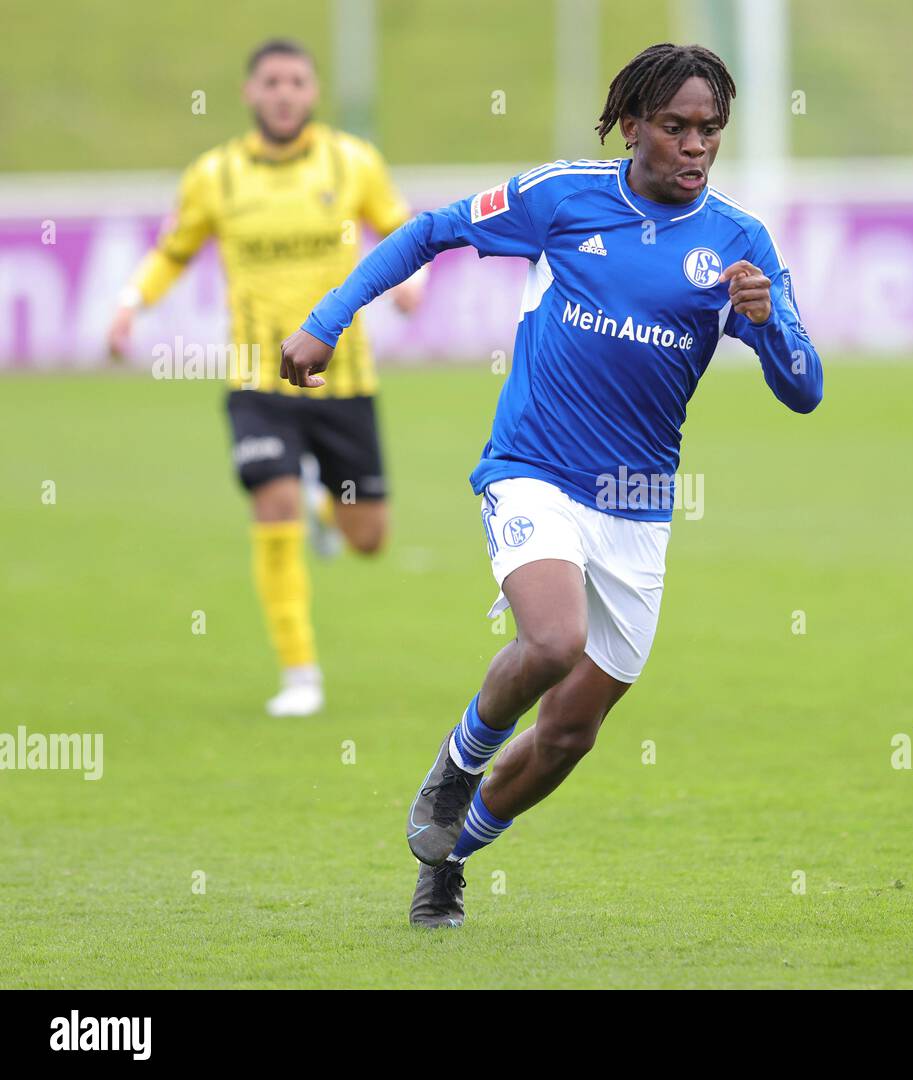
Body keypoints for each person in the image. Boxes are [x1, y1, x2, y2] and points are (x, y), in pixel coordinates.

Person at [280, 42, 823, 926]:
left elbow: (806, 390)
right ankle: (455, 768)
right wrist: (326, 322)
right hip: (533, 469)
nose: (695, 147)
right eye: (677, 128)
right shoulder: (562, 196)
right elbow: (427, 232)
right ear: (634, 126)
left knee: (571, 732)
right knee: (553, 638)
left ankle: (451, 855)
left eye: (710, 131)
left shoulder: (738, 243)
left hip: (639, 508)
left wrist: (768, 326)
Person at [109, 38, 421, 717]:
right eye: (271, 82)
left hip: (344, 381)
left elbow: (401, 231)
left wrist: (411, 283)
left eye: (296, 82)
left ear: (312, 94)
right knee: (269, 499)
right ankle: (300, 672)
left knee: (368, 540)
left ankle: (324, 510)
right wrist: (131, 306)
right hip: (257, 380)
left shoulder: (353, 161)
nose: (284, 93)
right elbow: (174, 251)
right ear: (251, 94)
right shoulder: (214, 176)